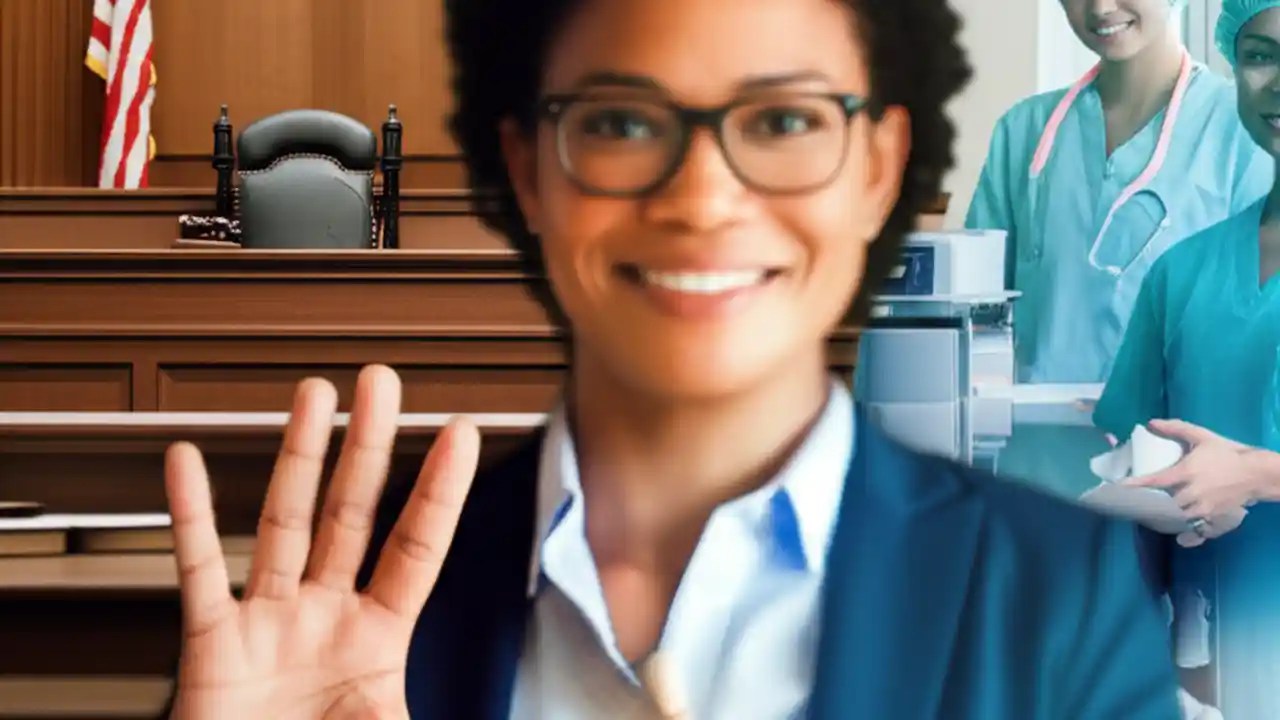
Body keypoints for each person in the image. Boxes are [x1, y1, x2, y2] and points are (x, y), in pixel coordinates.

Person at [159, 0, 1181, 718]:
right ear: (526, 172)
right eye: (619, 122)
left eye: (782, 121)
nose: (700, 201)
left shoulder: (1061, 599)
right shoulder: (355, 616)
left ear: (877, 169)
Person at [1093, 2, 1280, 717]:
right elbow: (1142, 476)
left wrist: (1259, 476)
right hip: (1215, 677)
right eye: (1260, 55)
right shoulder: (1183, 273)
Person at [967, 0, 1270, 386]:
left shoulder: (1244, 132)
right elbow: (974, 311)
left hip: (1183, 437)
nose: (1100, 7)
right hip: (1032, 434)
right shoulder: (1023, 130)